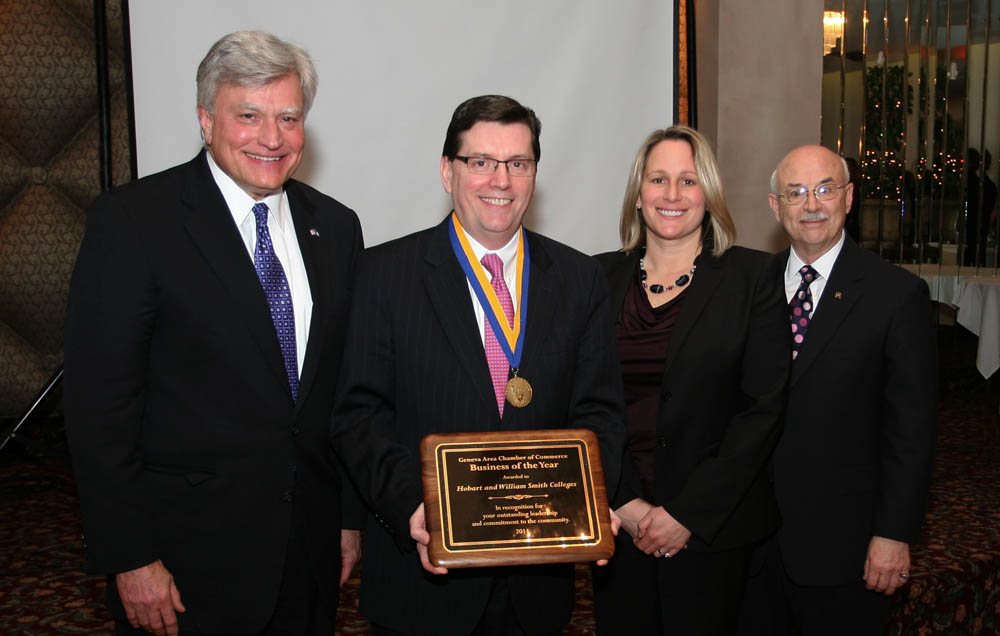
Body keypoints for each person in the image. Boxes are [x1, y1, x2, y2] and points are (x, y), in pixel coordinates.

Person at [63, 31, 364, 636]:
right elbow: (100, 408)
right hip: (185, 563)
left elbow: (340, 395)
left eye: (288, 117)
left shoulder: (335, 227)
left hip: (307, 552)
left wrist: (347, 519)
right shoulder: (134, 222)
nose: (272, 137)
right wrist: (130, 556)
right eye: (248, 115)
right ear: (206, 120)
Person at [330, 94, 626, 636]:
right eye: (481, 162)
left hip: (538, 584)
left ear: (536, 173)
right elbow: (358, 415)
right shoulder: (383, 274)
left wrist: (590, 496)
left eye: (519, 163)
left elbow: (600, 410)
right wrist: (414, 507)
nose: (502, 180)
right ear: (448, 171)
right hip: (424, 579)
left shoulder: (580, 280)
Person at [591, 126, 791, 635]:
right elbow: (585, 403)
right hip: (618, 520)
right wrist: (627, 504)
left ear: (709, 194)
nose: (672, 194)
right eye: (658, 179)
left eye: (688, 180)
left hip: (715, 529)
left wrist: (687, 514)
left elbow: (762, 410)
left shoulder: (756, 278)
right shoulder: (594, 280)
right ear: (639, 194)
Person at [739, 144, 937, 636]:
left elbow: (911, 433)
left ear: (848, 198)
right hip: (749, 545)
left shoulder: (896, 295)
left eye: (826, 189)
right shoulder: (746, 287)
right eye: (797, 192)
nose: (812, 205)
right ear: (774, 205)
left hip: (844, 547)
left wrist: (893, 534)